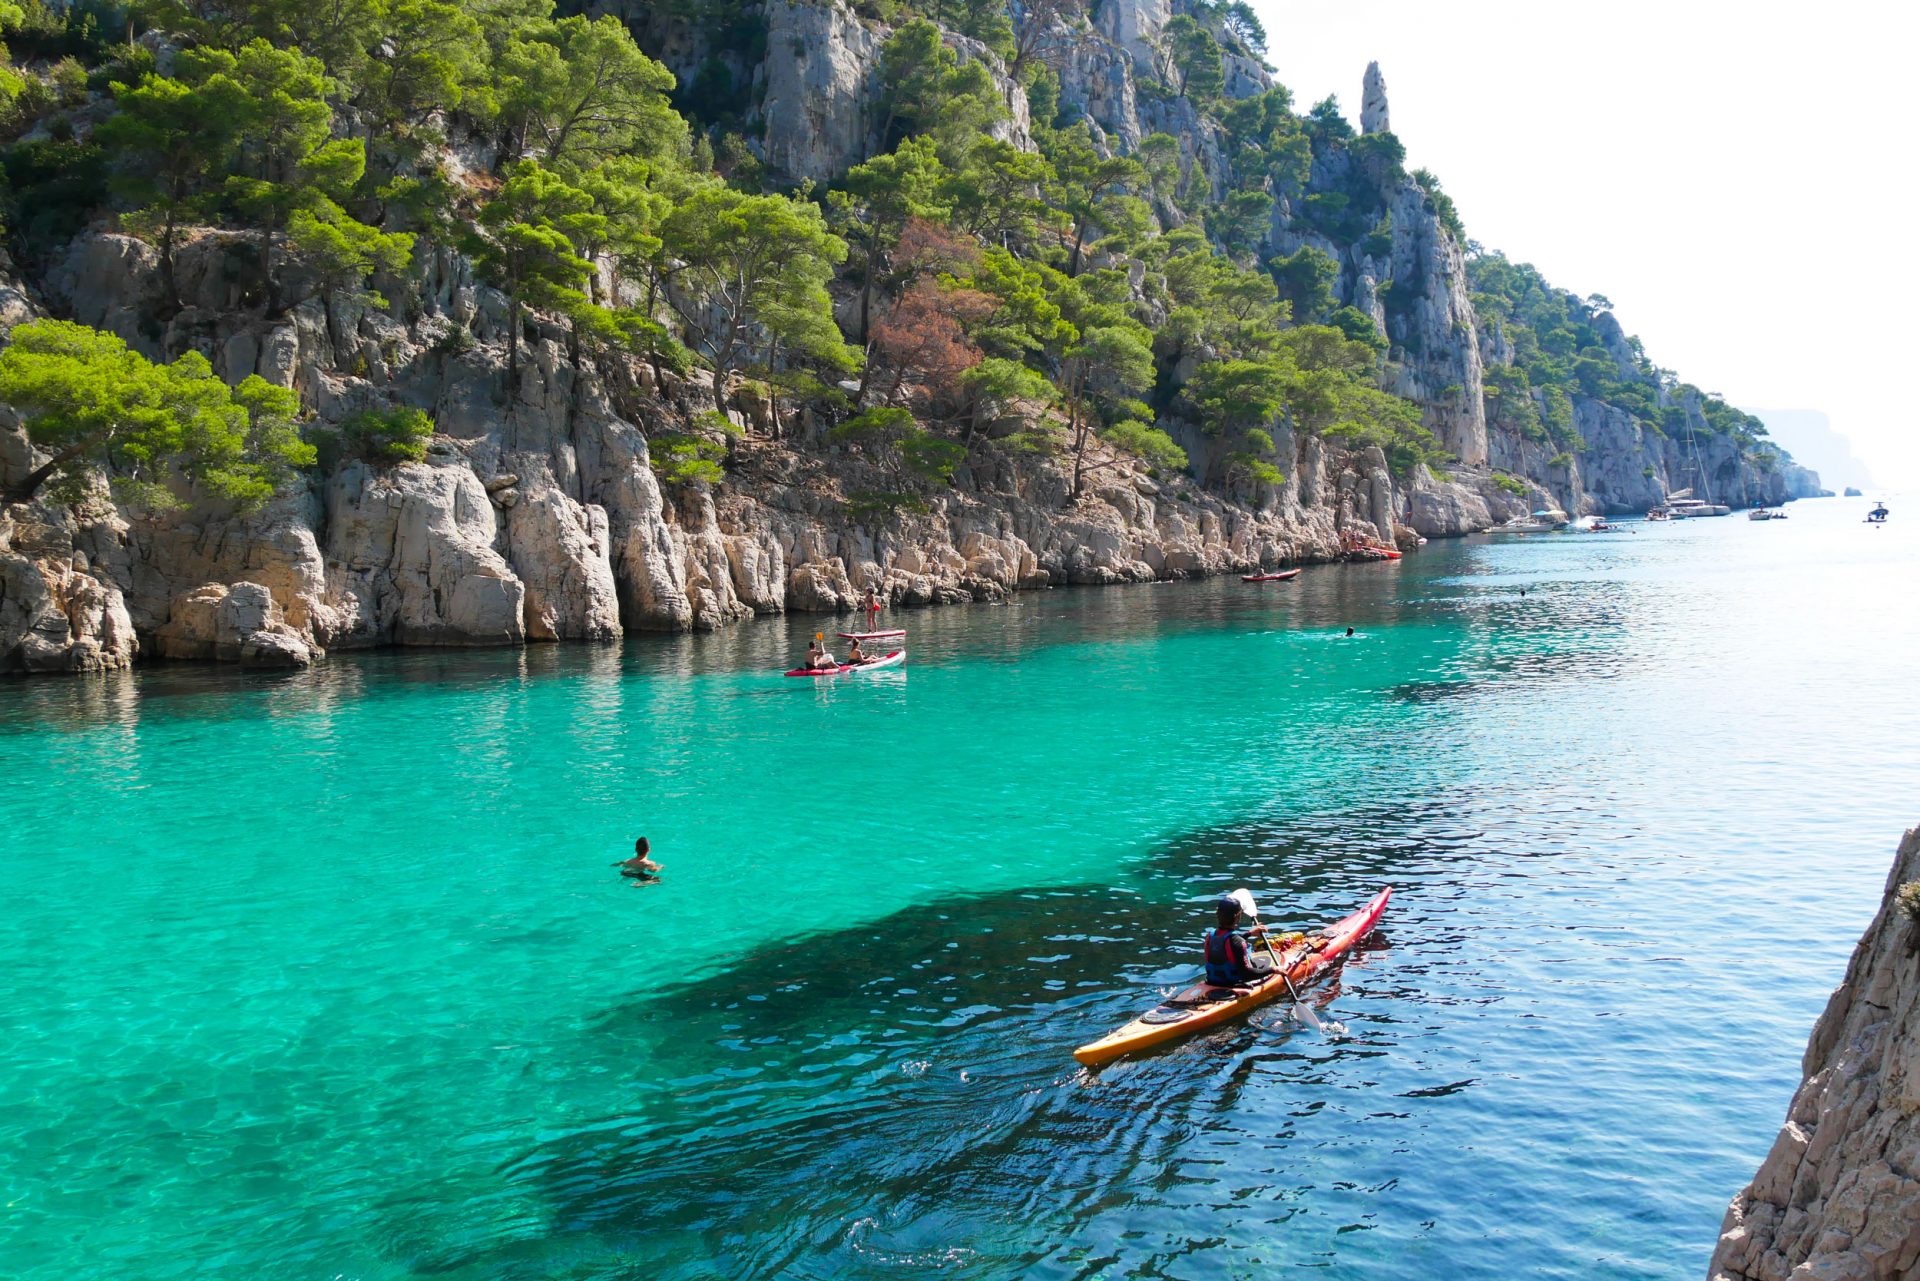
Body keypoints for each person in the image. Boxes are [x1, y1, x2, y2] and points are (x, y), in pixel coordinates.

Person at [1203, 895, 1274, 987]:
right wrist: (1273, 970)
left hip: (1211, 982)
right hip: (1233, 984)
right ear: (1237, 916)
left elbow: (1228, 945)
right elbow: (1247, 974)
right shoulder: (1238, 941)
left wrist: (1248, 934)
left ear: (1217, 913)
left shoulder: (1209, 936)